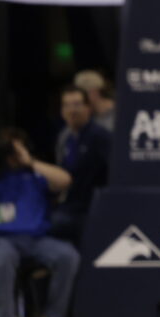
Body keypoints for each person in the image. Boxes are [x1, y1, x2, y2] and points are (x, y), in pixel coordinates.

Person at [0, 130, 79, 317]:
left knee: (67, 256)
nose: (12, 155)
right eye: (8, 150)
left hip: (35, 239)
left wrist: (30, 161)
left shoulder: (35, 175)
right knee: (1, 258)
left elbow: (65, 180)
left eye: (15, 149)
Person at [49, 86, 110, 244]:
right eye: (67, 105)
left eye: (77, 104)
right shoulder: (64, 138)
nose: (72, 110)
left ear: (88, 107)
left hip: (92, 210)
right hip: (67, 207)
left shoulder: (100, 136)